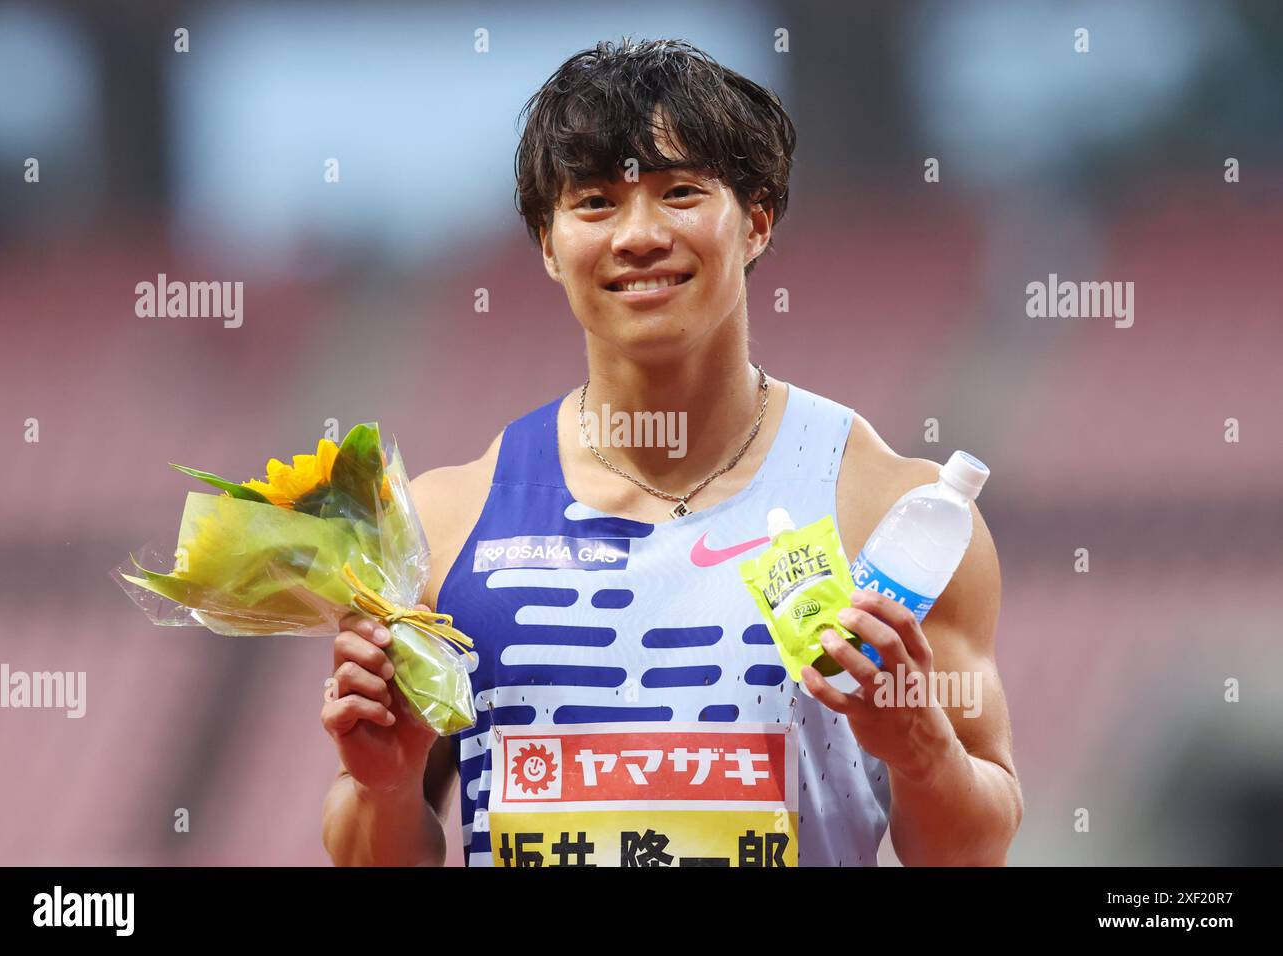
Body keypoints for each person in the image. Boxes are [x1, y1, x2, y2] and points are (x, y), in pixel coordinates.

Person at [322, 37, 1022, 867]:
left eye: (680, 192)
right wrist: (385, 788)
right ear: (548, 244)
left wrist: (920, 749)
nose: (639, 236)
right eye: (594, 203)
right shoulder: (441, 527)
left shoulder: (890, 516)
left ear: (757, 219)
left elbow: (973, 851)